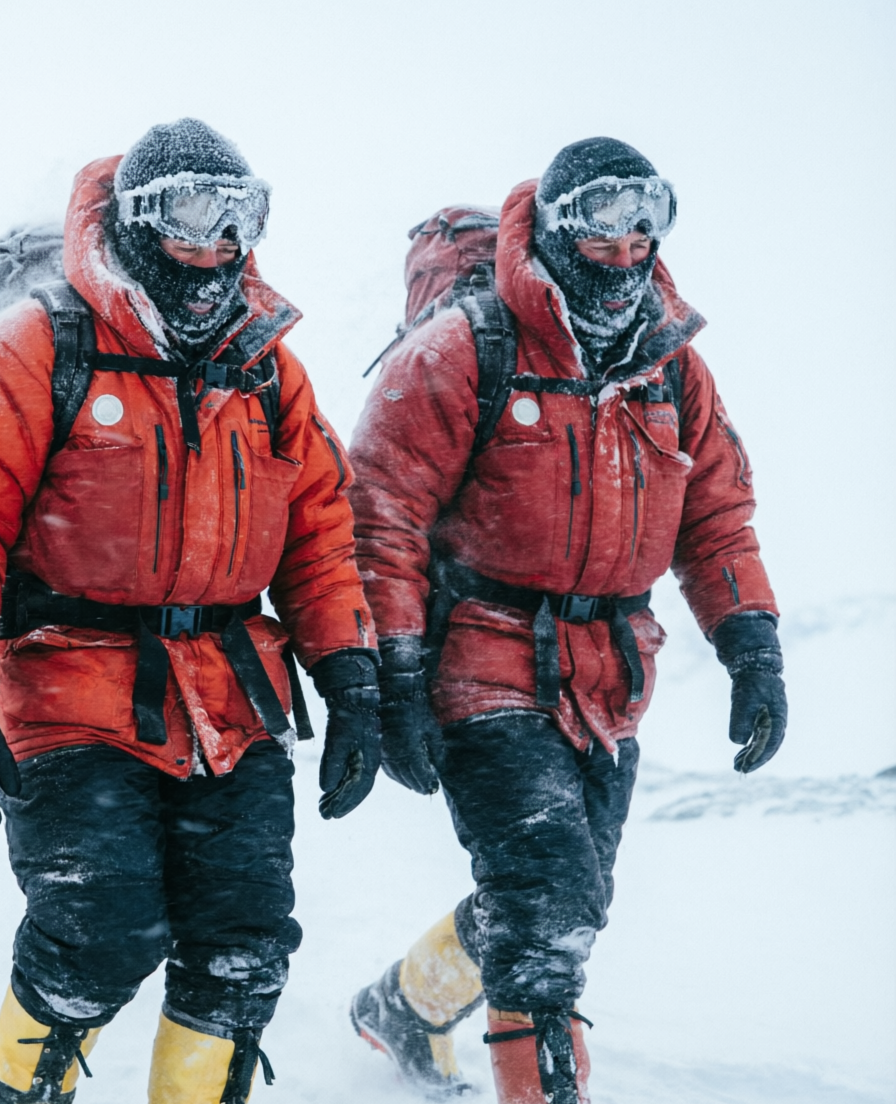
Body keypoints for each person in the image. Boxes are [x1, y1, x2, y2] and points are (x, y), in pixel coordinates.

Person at [0, 118, 382, 1104]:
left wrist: (352, 676)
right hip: (66, 690)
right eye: (185, 216)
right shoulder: (37, 345)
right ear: (132, 222)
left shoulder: (265, 366)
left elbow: (319, 531)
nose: (210, 247)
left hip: (231, 701)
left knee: (242, 946)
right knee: (98, 932)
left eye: (233, 218)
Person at [345, 138, 787, 1103]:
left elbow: (715, 511)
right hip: (479, 659)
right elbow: (380, 520)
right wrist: (393, 677)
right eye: (602, 224)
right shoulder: (465, 350)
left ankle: (402, 1010)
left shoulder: (672, 362)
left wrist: (749, 640)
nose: (626, 251)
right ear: (555, 227)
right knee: (550, 913)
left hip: (610, 672)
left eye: (646, 225)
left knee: (565, 896)